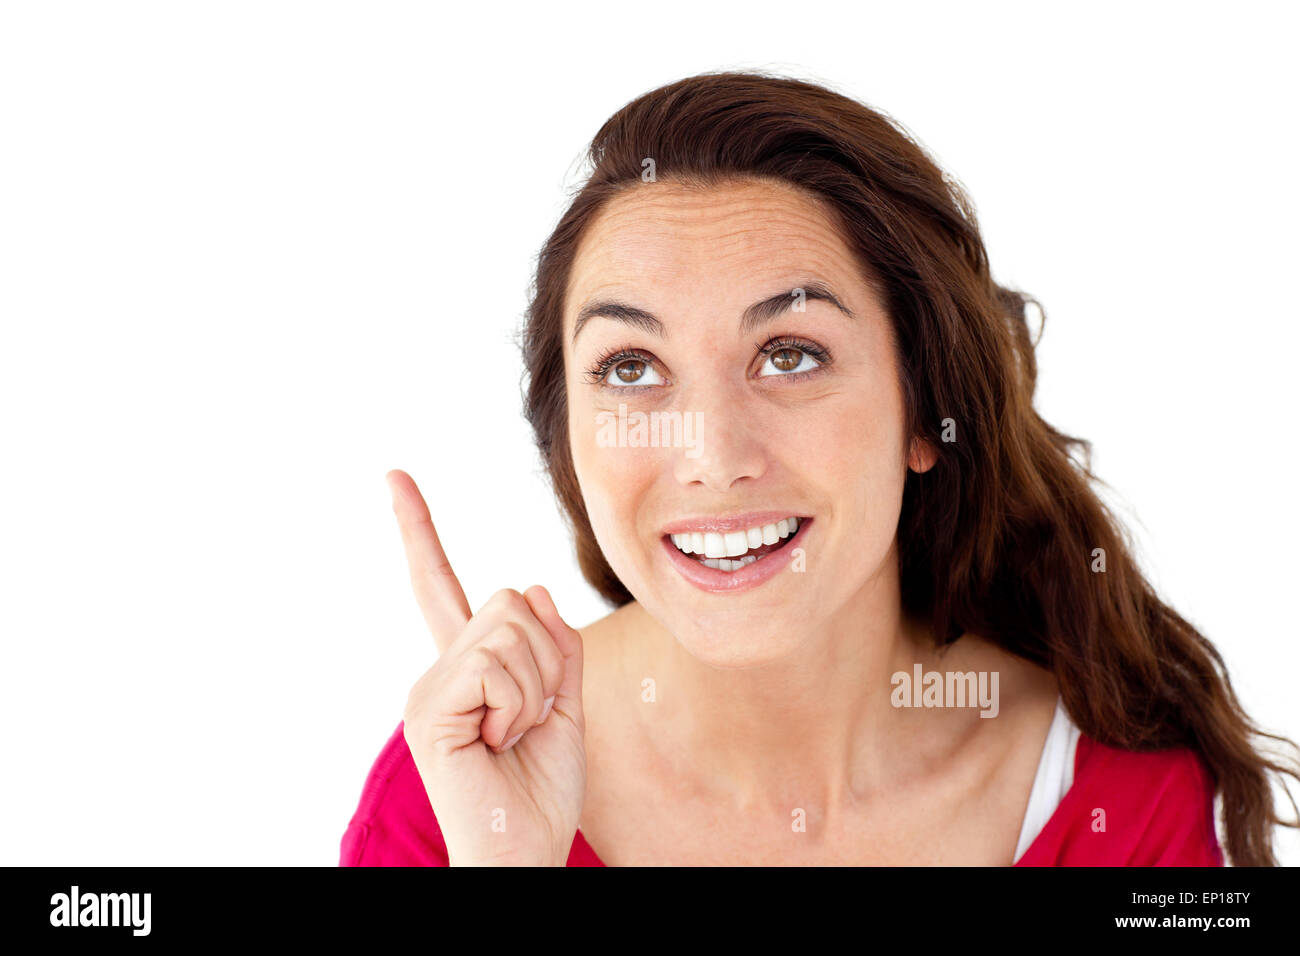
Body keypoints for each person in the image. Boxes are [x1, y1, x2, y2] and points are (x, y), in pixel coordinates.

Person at [341, 71, 1298, 866]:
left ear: (927, 411)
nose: (713, 457)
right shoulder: (458, 792)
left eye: (790, 354)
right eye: (631, 369)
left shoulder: (1123, 802)